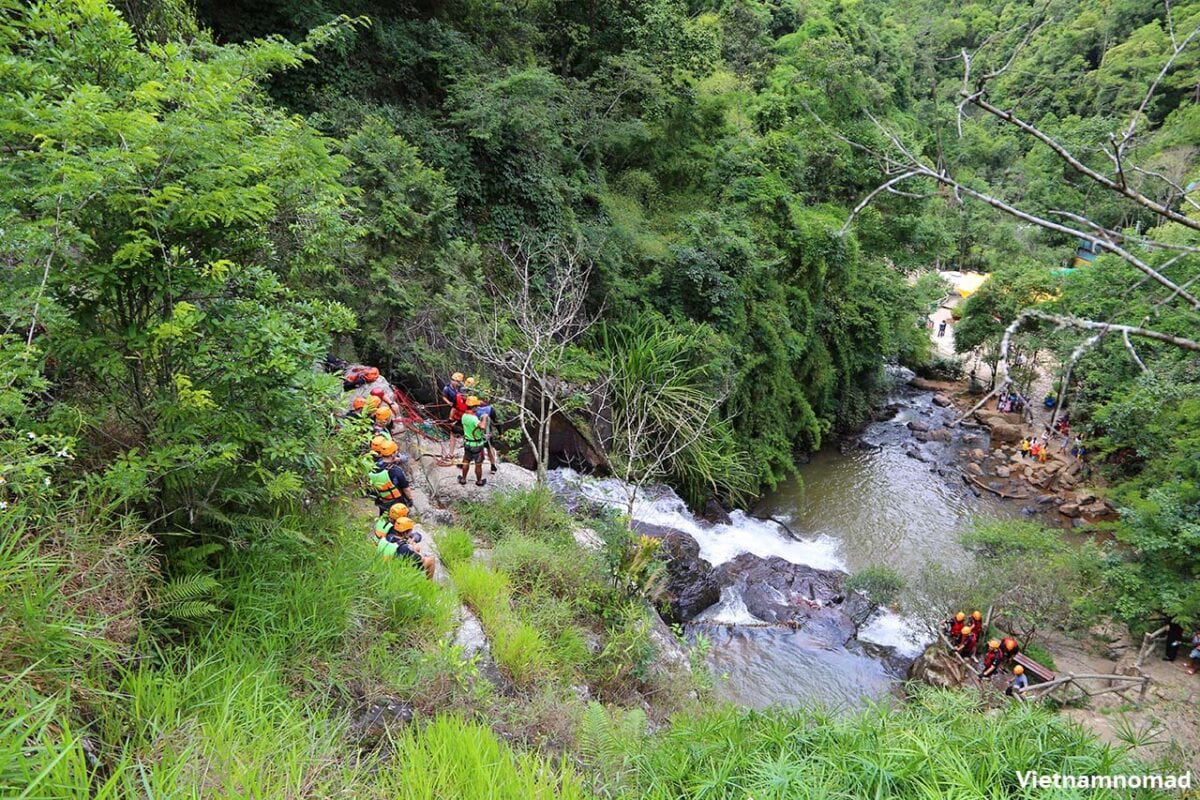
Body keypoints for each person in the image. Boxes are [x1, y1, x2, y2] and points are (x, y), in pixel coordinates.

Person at [368, 439, 415, 512]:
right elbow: (406, 488)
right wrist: (410, 499)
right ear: (392, 454)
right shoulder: (396, 470)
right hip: (396, 502)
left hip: (382, 500)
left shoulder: (374, 466)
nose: (397, 452)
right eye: (395, 451)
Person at [458, 396, 488, 487]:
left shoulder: (464, 416)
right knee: (478, 464)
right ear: (473, 407)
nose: (478, 407)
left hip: (467, 443)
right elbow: (482, 427)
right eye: (476, 406)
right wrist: (484, 418)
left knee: (466, 460)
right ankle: (479, 481)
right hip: (477, 445)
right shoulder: (474, 419)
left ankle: (463, 479)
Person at [443, 371, 465, 458]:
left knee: (456, 433)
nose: (454, 382)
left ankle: (452, 453)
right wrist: (448, 402)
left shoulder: (461, 389)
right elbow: (444, 396)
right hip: (455, 407)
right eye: (454, 380)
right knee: (454, 433)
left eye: (456, 381)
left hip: (459, 410)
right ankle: (451, 453)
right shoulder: (447, 388)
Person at [476, 397, 499, 474]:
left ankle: (479, 465)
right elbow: (496, 422)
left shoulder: (473, 409)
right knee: (490, 448)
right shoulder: (490, 410)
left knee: (480, 448)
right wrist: (500, 433)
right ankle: (493, 465)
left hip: (477, 432)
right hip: (487, 432)